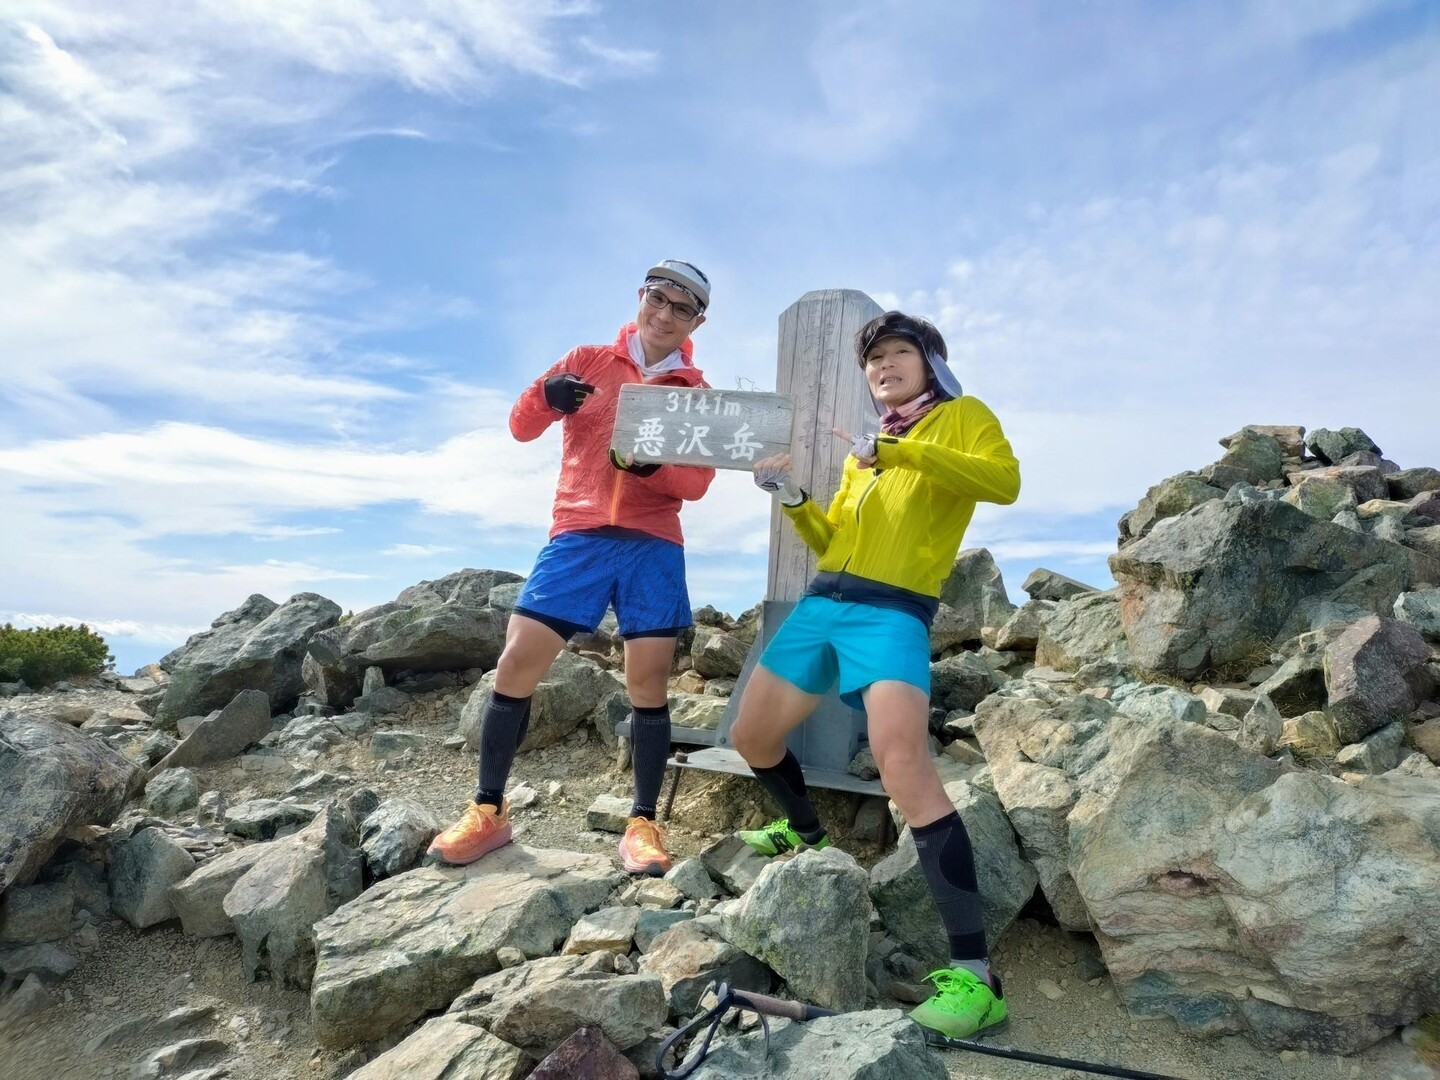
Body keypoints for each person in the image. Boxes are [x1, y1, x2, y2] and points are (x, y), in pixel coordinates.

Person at [731, 310, 1020, 1039]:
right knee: (752, 736)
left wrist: (906, 455)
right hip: (823, 603)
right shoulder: (868, 452)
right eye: (873, 360)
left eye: (898, 353)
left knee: (903, 764)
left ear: (930, 362)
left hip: (893, 613)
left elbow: (1004, 482)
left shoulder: (962, 419)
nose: (883, 366)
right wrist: (797, 501)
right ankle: (805, 833)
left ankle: (976, 979)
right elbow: (837, 539)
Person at [427, 260, 717, 877]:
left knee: (648, 680)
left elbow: (696, 484)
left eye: (682, 308)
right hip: (578, 533)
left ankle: (642, 822)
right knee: (517, 662)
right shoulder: (587, 359)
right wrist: (546, 397)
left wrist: (653, 472)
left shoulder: (697, 396)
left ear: (698, 321)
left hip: (654, 542)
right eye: (658, 298)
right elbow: (520, 427)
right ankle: (488, 809)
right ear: (641, 298)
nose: (664, 315)